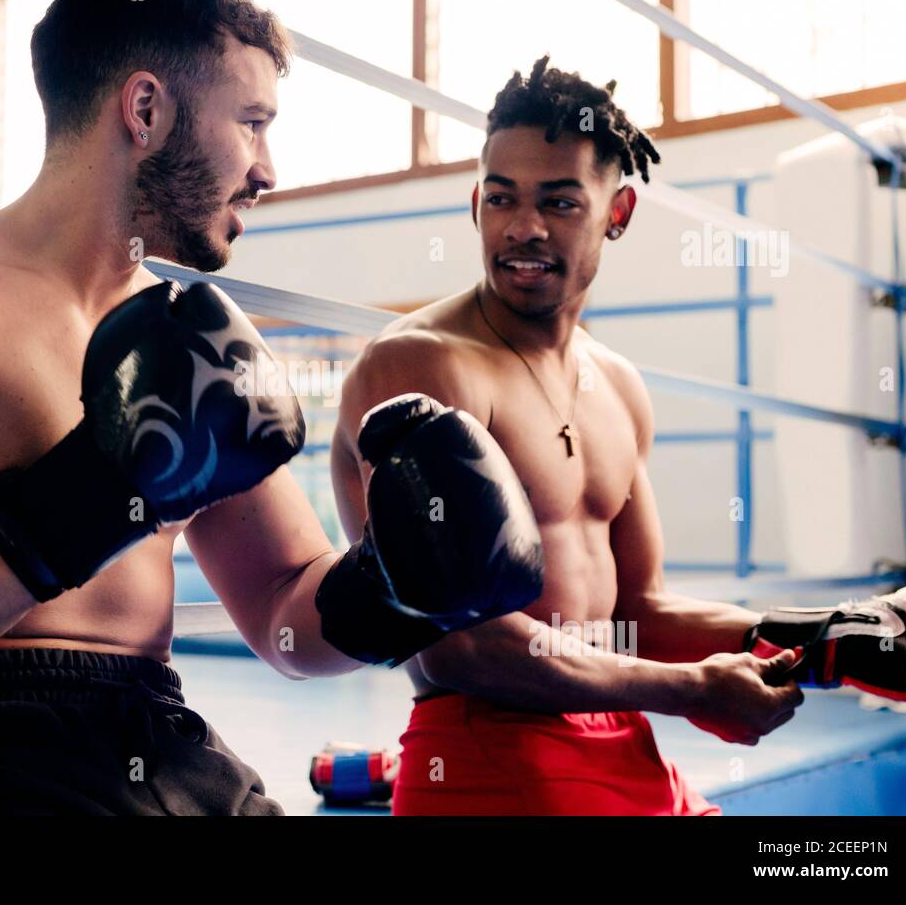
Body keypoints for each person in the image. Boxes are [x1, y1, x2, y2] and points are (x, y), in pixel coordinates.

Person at [0, 0, 542, 816]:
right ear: (145, 110)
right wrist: (103, 483)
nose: (269, 169)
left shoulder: (190, 343)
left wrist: (402, 588)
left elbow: (286, 608)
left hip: (159, 749)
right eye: (251, 122)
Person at [332, 56, 805, 816]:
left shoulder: (618, 385)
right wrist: (688, 689)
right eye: (502, 199)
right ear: (475, 203)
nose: (524, 228)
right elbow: (459, 645)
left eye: (559, 202)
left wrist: (839, 637)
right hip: (488, 754)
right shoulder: (420, 366)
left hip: (629, 743)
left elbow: (638, 614)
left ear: (617, 212)